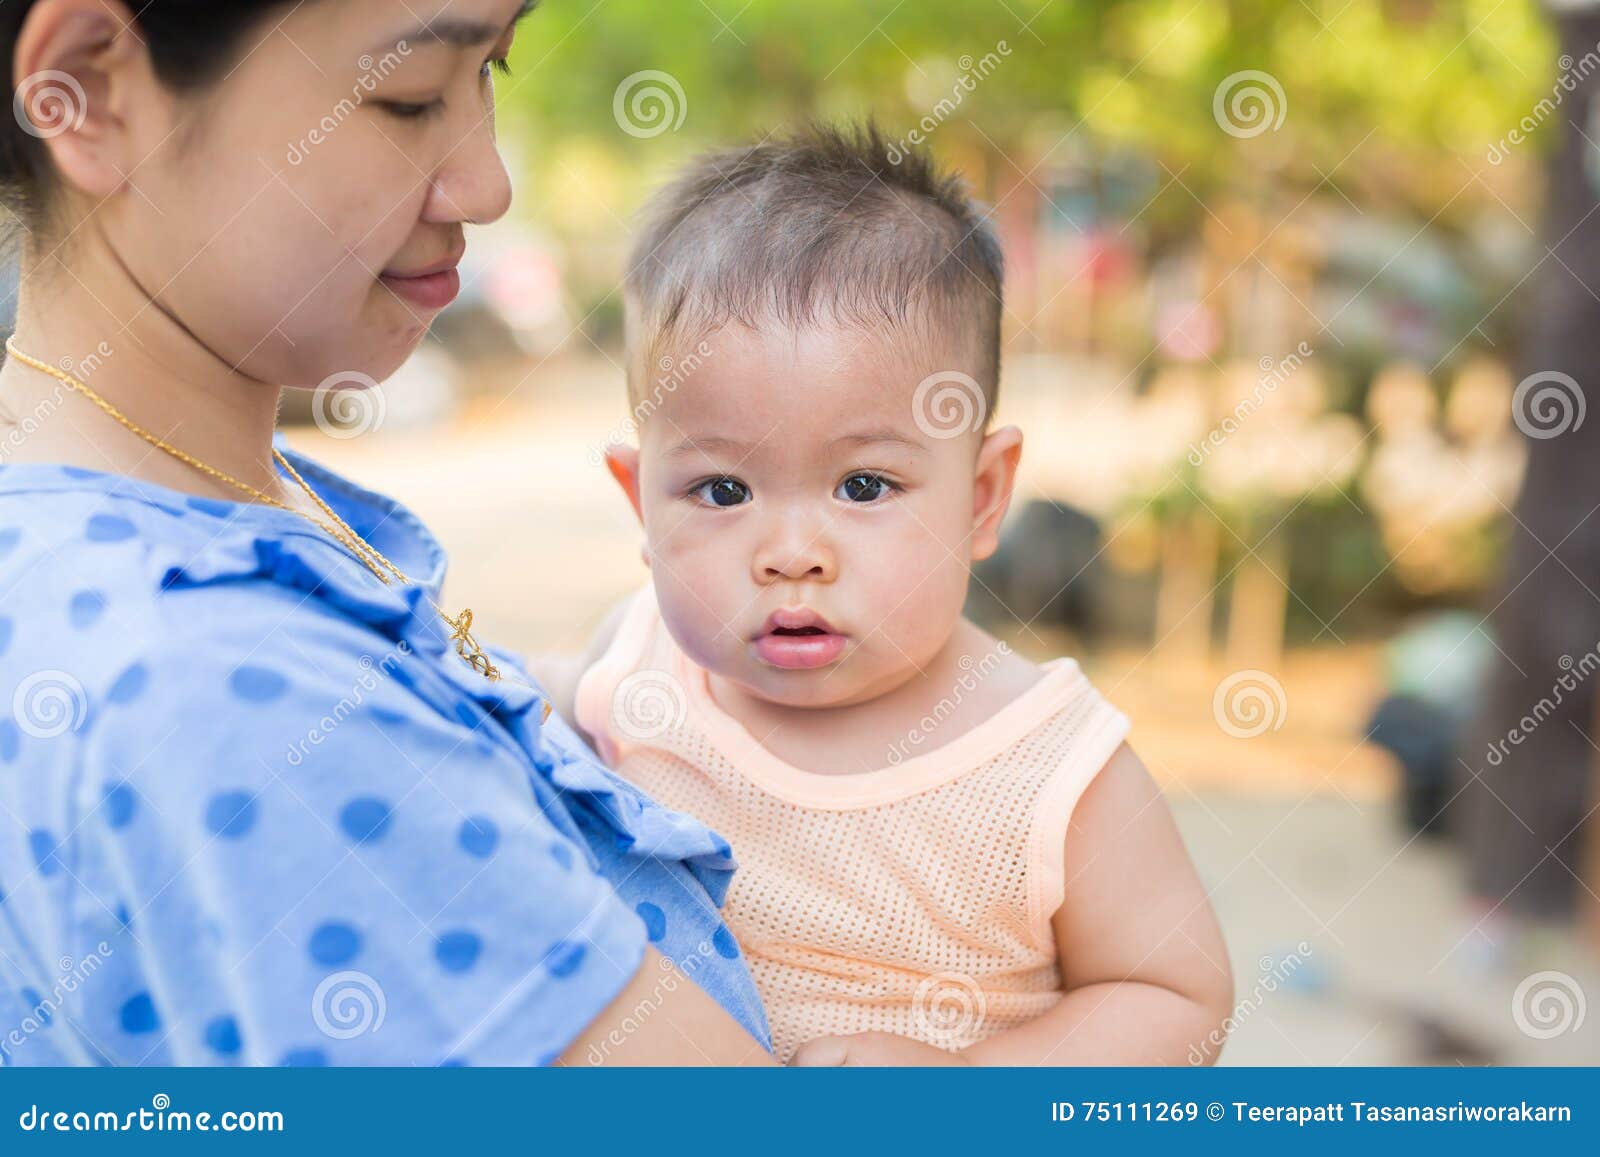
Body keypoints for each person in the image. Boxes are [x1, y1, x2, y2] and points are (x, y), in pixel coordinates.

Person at [0, 0, 772, 1067]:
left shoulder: (152, 518)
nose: (487, 184)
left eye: (489, 73)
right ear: (86, 87)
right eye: (409, 97)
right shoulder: (230, 687)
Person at [541, 125, 1235, 1065]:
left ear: (982, 496)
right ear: (640, 500)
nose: (791, 555)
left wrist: (972, 1087)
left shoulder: (1047, 765)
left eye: (864, 487)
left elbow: (1176, 995)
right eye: (723, 491)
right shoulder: (628, 674)